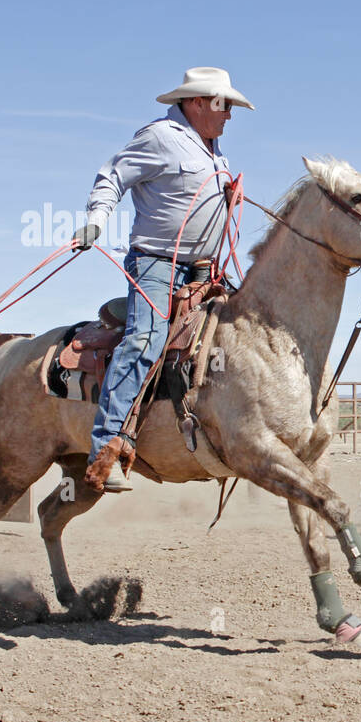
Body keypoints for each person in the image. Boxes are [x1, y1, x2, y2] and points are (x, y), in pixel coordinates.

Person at [76, 67, 255, 492]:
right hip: (158, 265)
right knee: (144, 340)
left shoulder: (215, 151)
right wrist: (96, 221)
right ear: (196, 102)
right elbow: (113, 176)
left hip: (205, 269)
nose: (229, 114)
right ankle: (107, 445)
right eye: (223, 104)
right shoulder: (159, 137)